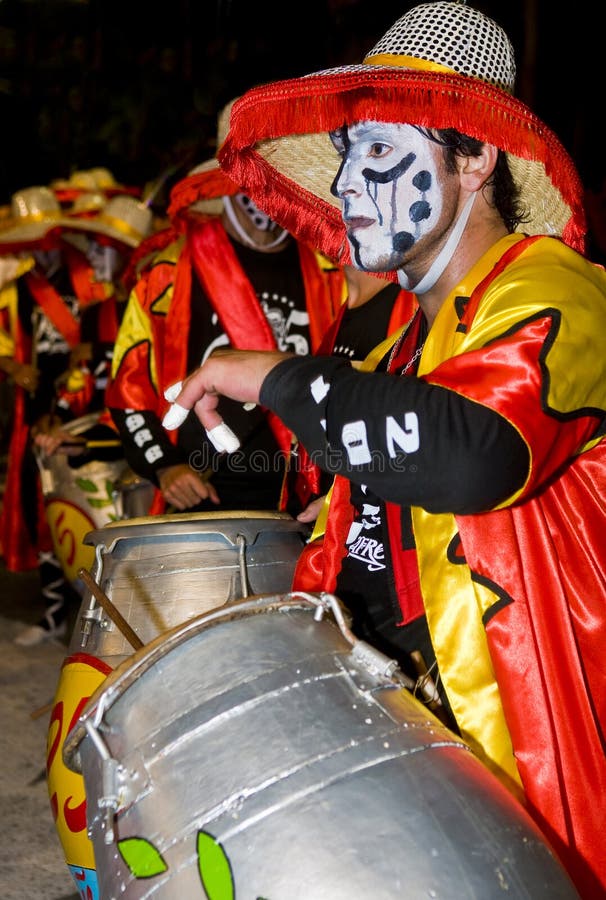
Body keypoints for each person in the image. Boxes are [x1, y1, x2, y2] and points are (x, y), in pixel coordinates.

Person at [162, 4, 606, 896]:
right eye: (346, 154)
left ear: (474, 157)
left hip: (519, 763)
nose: (349, 185)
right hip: (399, 747)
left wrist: (277, 377)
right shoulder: (396, 337)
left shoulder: (560, 288)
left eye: (379, 152)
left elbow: (474, 454)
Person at [106, 100, 345, 517]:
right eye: (248, 186)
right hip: (206, 493)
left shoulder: (335, 270)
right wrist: (166, 465)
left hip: (311, 497)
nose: (263, 201)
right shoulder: (167, 275)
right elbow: (128, 390)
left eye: (275, 184)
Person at [0, 186, 152, 645]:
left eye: (107, 250)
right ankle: (58, 610)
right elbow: (83, 370)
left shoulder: (136, 296)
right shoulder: (37, 293)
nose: (97, 258)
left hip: (133, 424)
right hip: (68, 414)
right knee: (49, 499)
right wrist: (56, 415)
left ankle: (125, 618)